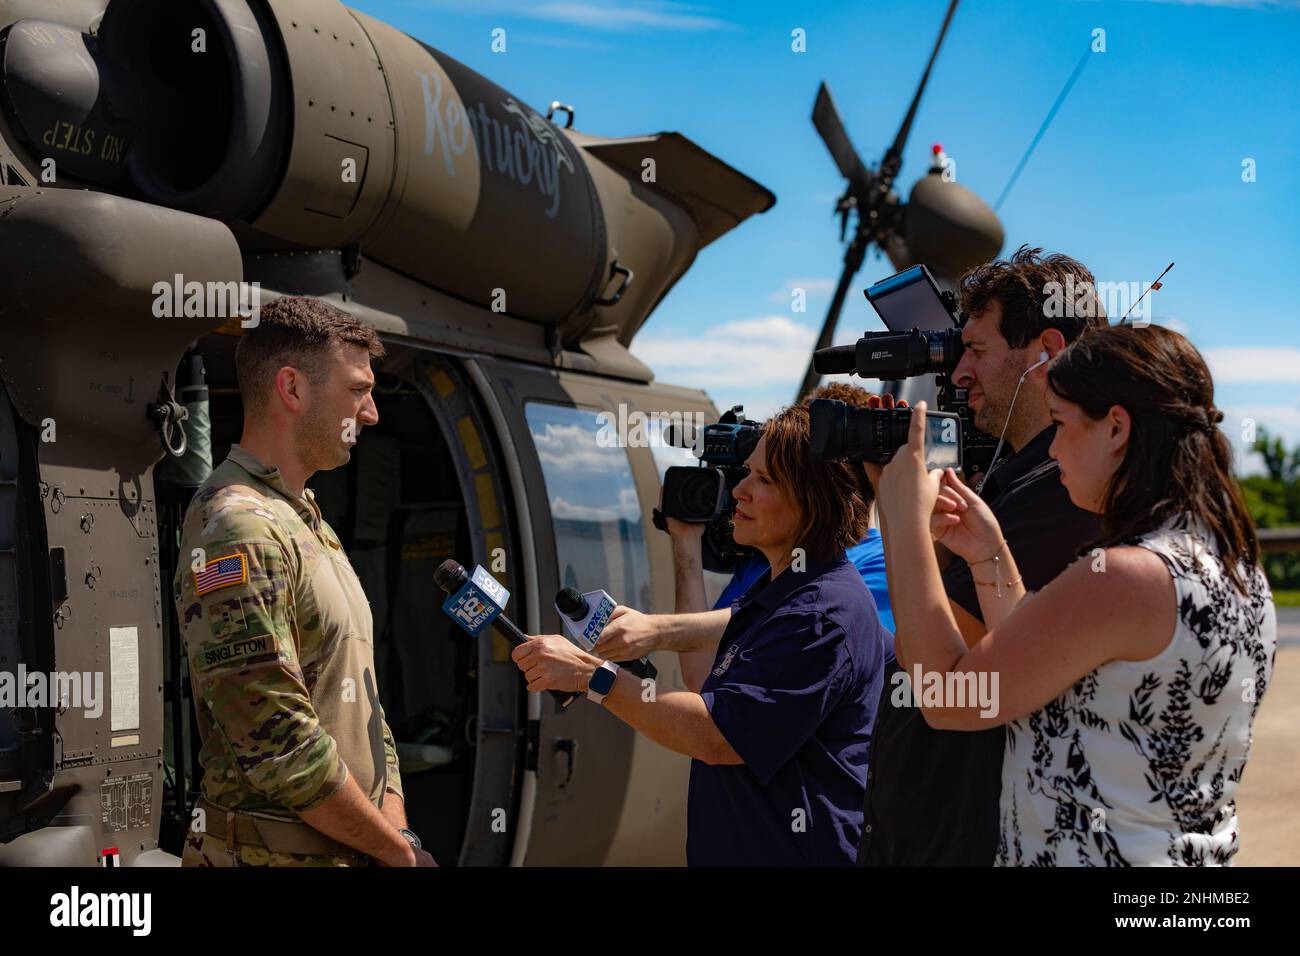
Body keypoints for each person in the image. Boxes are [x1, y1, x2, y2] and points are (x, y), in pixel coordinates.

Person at [877, 325, 1276, 865]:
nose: (1054, 448)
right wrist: (990, 555)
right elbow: (1057, 665)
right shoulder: (1234, 567)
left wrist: (901, 523)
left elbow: (948, 701)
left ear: (1115, 428)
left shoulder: (1123, 576)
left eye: (1062, 424)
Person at [512, 405, 887, 865]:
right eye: (746, 474)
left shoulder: (819, 614)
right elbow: (706, 682)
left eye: (764, 481)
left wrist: (592, 677)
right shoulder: (781, 592)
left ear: (813, 499)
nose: (740, 492)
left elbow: (716, 735)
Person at [859, 246, 1106, 866]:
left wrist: (899, 513)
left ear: (1045, 351)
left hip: (963, 837)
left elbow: (944, 672)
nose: (957, 373)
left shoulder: (1061, 492)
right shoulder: (1012, 480)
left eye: (976, 349)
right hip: (927, 825)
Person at [175, 296, 434, 867]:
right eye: (357, 391)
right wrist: (398, 854)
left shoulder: (305, 518)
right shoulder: (238, 525)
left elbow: (364, 700)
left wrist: (398, 838)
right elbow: (277, 740)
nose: (371, 414)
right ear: (292, 389)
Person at [709, 383, 894, 632]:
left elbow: (805, 628)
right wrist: (685, 539)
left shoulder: (879, 567)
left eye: (767, 478)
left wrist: (659, 630)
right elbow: (701, 665)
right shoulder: (765, 558)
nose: (738, 492)